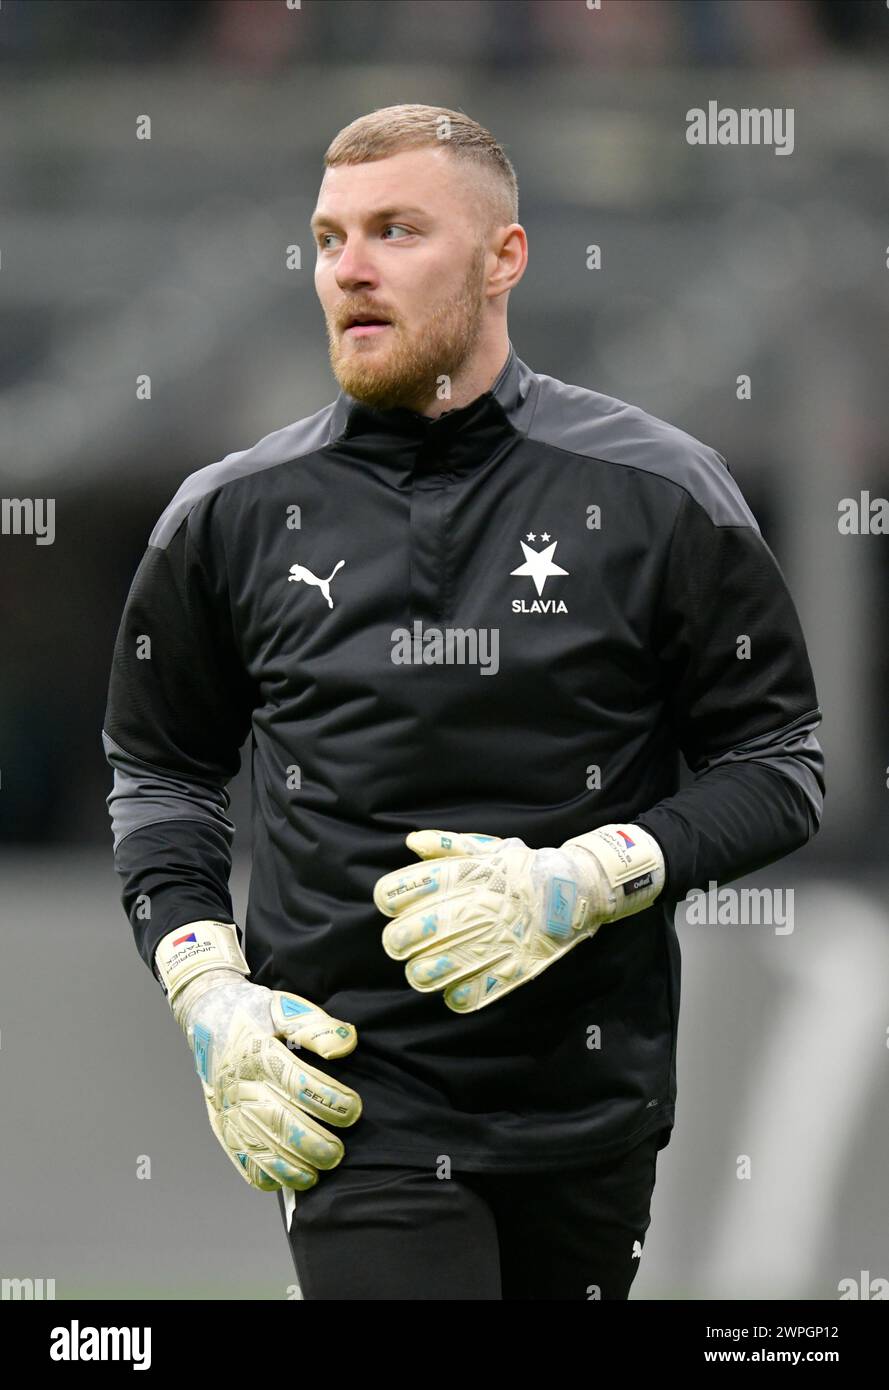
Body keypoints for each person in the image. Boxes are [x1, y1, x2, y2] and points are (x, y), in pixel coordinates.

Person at [103, 103, 825, 1300]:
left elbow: (781, 763)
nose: (350, 268)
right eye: (329, 238)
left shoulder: (659, 493)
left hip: (592, 1104)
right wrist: (206, 988)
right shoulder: (227, 515)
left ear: (505, 259)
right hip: (351, 1102)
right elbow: (161, 773)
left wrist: (586, 878)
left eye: (394, 230)